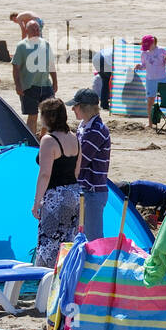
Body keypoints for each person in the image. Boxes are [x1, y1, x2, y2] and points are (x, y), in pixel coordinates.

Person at [31, 97, 82, 268]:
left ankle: (45, 284)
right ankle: (64, 282)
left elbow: (45, 174)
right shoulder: (74, 138)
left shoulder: (49, 140)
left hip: (56, 196)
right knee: (68, 242)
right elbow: (76, 170)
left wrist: (37, 201)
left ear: (48, 117)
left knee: (49, 243)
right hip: (74, 194)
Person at [67, 88, 111, 240]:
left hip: (92, 192)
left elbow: (81, 160)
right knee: (81, 238)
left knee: (93, 241)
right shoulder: (83, 126)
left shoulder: (96, 130)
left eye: (75, 106)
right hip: (86, 190)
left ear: (85, 107)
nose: (72, 109)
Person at [11, 20, 58, 133]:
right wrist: (18, 85)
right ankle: (32, 144)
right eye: (33, 29)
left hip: (46, 85)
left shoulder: (45, 44)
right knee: (33, 116)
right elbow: (15, 67)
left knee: (49, 115)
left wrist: (55, 82)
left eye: (38, 29)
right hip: (29, 86)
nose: (36, 31)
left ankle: (43, 139)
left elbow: (51, 65)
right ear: (27, 30)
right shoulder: (22, 46)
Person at [131, 35, 166, 107]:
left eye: (147, 46)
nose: (146, 48)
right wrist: (139, 66)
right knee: (150, 102)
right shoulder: (144, 53)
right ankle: (150, 118)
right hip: (150, 80)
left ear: (153, 43)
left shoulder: (162, 50)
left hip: (162, 79)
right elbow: (144, 66)